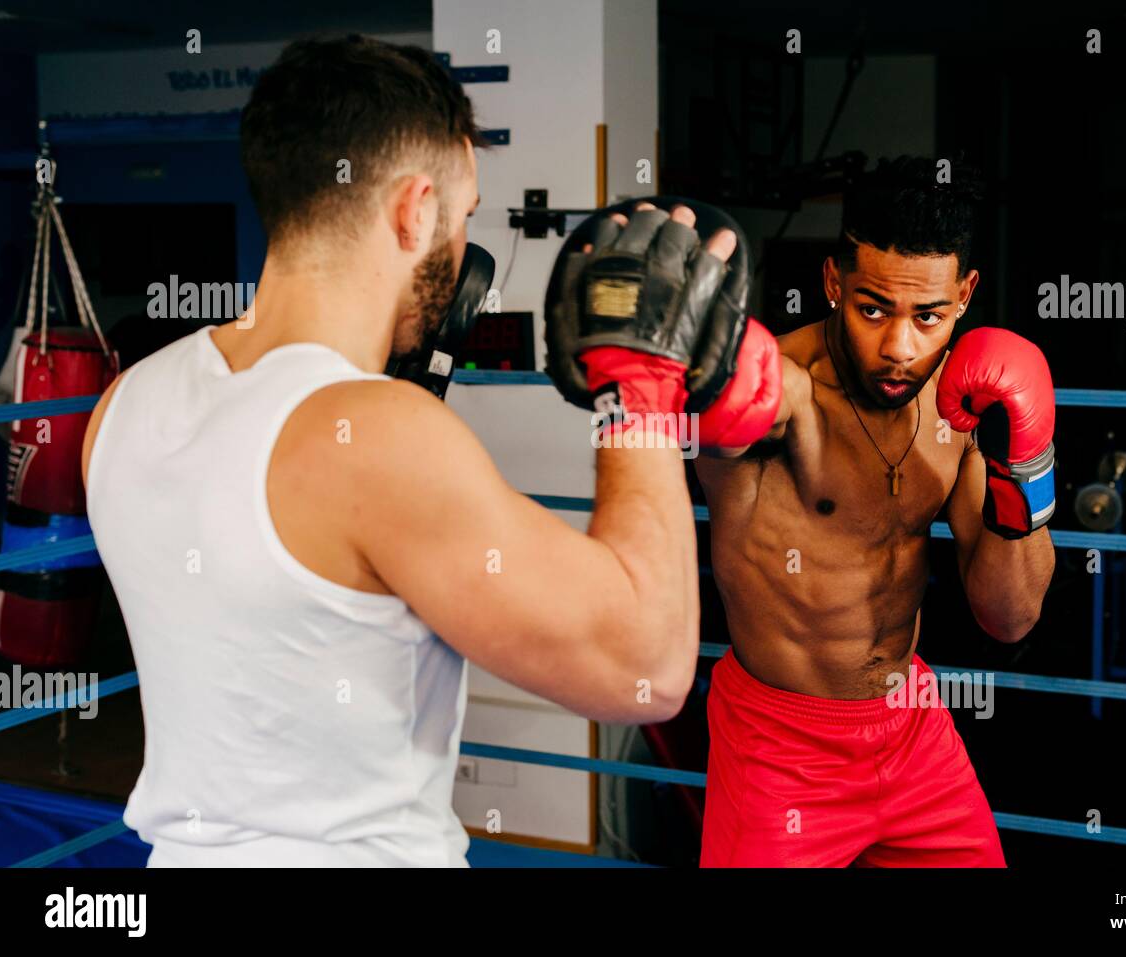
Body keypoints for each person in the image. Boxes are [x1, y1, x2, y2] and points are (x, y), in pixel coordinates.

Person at [80, 34, 774, 867]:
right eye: (465, 213)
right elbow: (649, 665)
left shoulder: (125, 402)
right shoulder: (375, 436)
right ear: (414, 210)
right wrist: (641, 394)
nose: (462, 246)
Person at [694, 157, 1057, 867]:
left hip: (910, 731)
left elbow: (1009, 617)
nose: (899, 347)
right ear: (833, 283)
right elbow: (742, 412)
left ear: (964, 295)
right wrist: (697, 369)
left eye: (928, 316)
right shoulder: (779, 389)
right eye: (871, 309)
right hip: (781, 749)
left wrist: (1025, 474)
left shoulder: (962, 407)